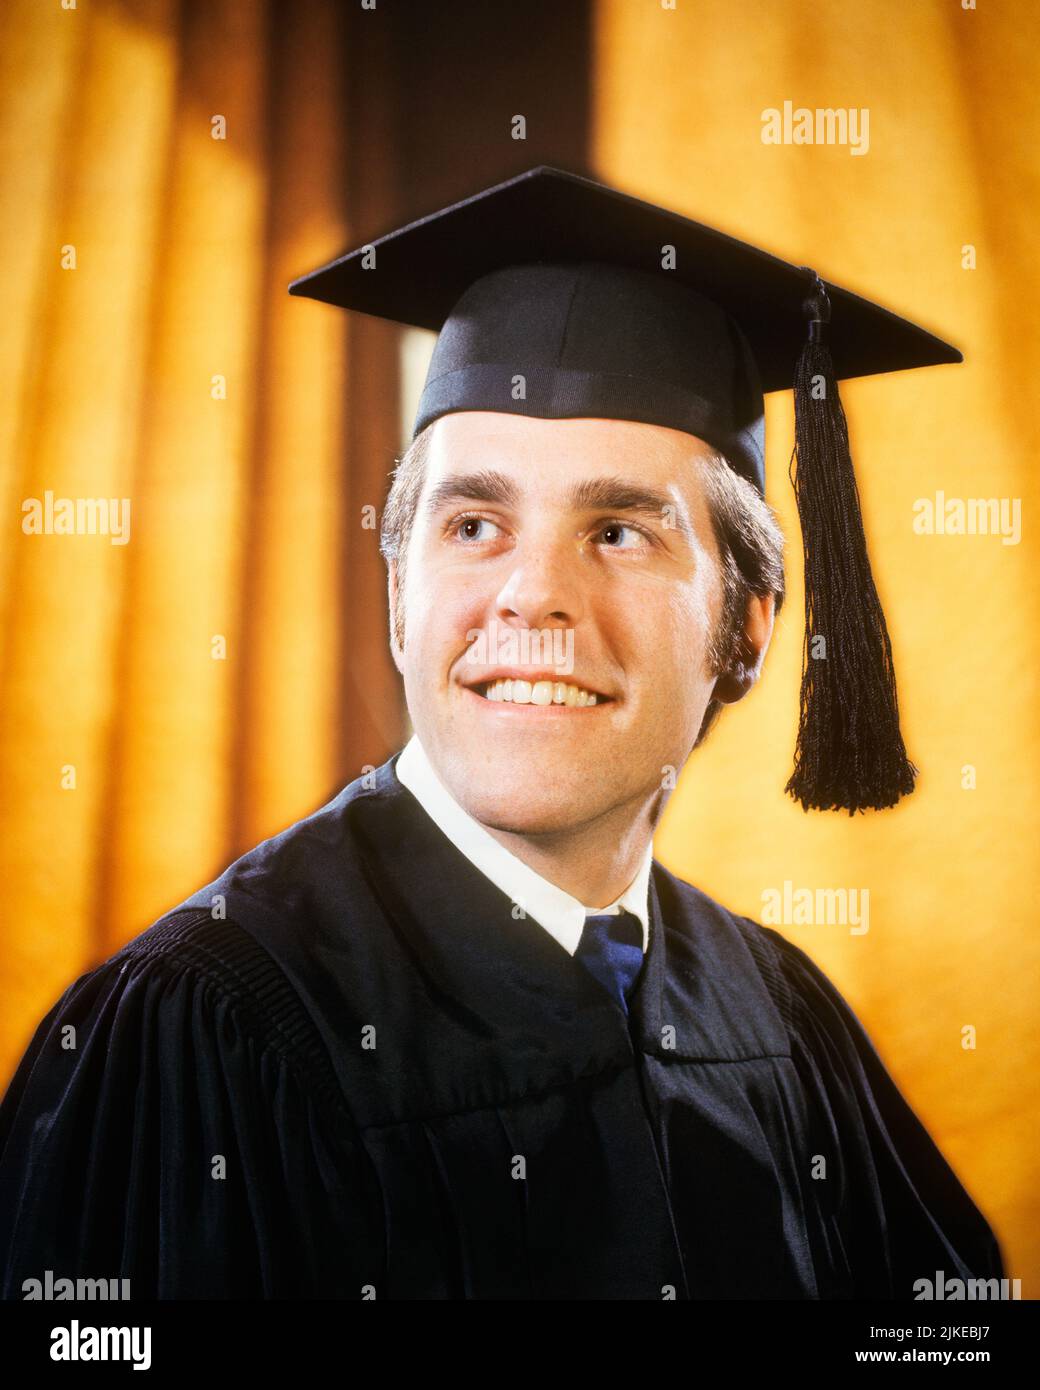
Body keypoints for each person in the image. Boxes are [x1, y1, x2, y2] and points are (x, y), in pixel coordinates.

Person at [0, 168, 1004, 1299]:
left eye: (619, 531)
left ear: (748, 627)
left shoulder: (775, 1016)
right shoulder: (202, 1034)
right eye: (474, 523)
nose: (531, 596)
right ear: (396, 595)